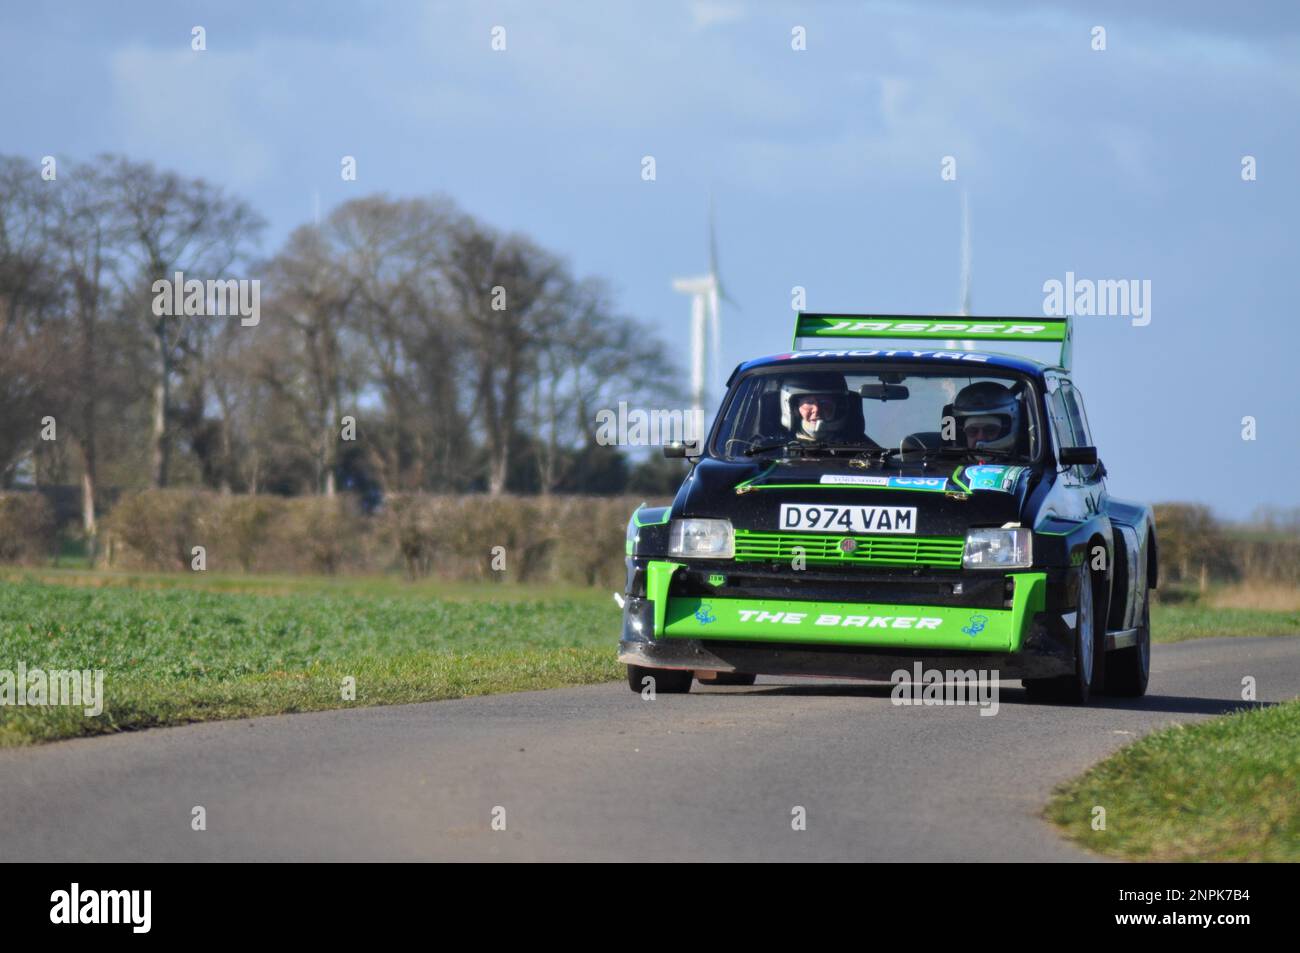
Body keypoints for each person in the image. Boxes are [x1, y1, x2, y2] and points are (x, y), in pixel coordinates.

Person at [778, 373, 873, 444]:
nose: (817, 410)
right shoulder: (773, 449)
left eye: (825, 403)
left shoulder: (864, 449)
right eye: (809, 402)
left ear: (839, 408)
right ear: (794, 407)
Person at [952, 381, 1021, 454]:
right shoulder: (947, 464)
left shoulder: (1027, 463)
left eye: (990, 430)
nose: (980, 438)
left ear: (1005, 432)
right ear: (963, 435)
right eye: (972, 431)